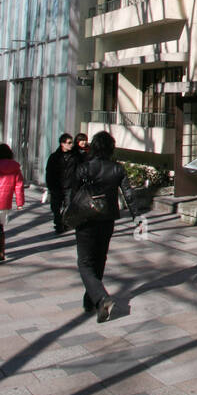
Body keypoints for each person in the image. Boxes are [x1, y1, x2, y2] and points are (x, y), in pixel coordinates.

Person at [69, 131, 126, 323]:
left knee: (84, 262)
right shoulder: (117, 168)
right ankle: (90, 300)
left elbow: (74, 192)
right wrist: (137, 216)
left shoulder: (84, 168)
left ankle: (100, 298)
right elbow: (129, 193)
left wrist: (67, 213)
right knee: (100, 258)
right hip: (107, 217)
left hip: (86, 217)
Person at [44, 133, 74, 234]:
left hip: (69, 186)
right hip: (57, 186)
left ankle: (63, 221)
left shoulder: (74, 157)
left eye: (71, 142)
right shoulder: (54, 157)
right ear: (62, 144)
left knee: (69, 205)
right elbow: (49, 172)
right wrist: (50, 186)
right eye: (69, 143)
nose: (71, 145)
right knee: (56, 207)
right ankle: (58, 223)